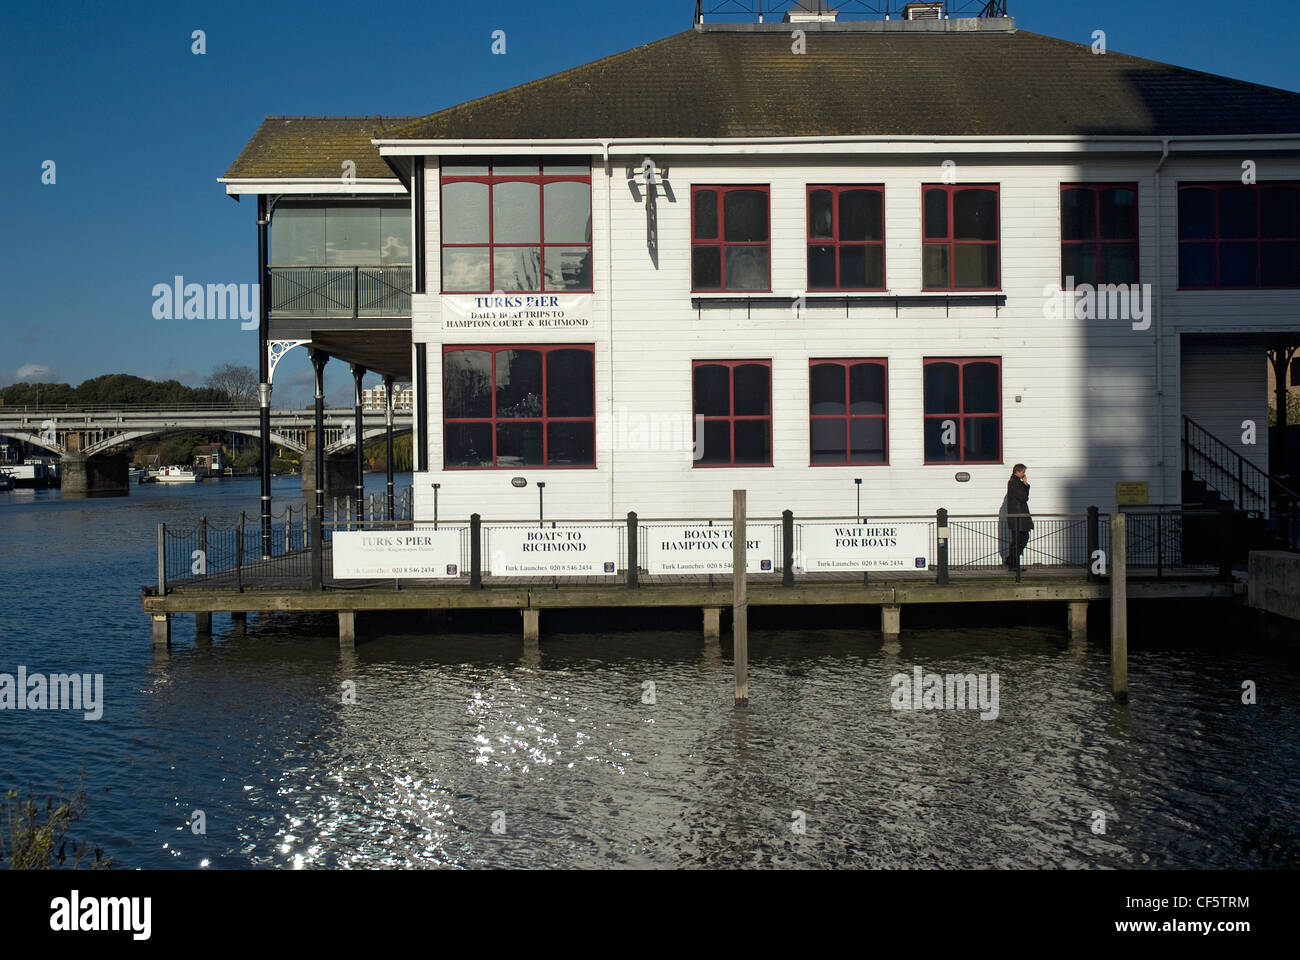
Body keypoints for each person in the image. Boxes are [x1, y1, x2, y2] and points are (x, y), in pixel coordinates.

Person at [1006, 463, 1033, 581]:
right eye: (1023, 472)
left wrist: (1025, 484)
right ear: (1018, 472)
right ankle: (1013, 563)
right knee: (1018, 540)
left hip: (1020, 517)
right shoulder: (1014, 482)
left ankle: (1011, 560)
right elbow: (1024, 497)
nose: (1024, 474)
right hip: (1018, 518)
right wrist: (1025, 484)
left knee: (1021, 539)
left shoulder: (1016, 482)